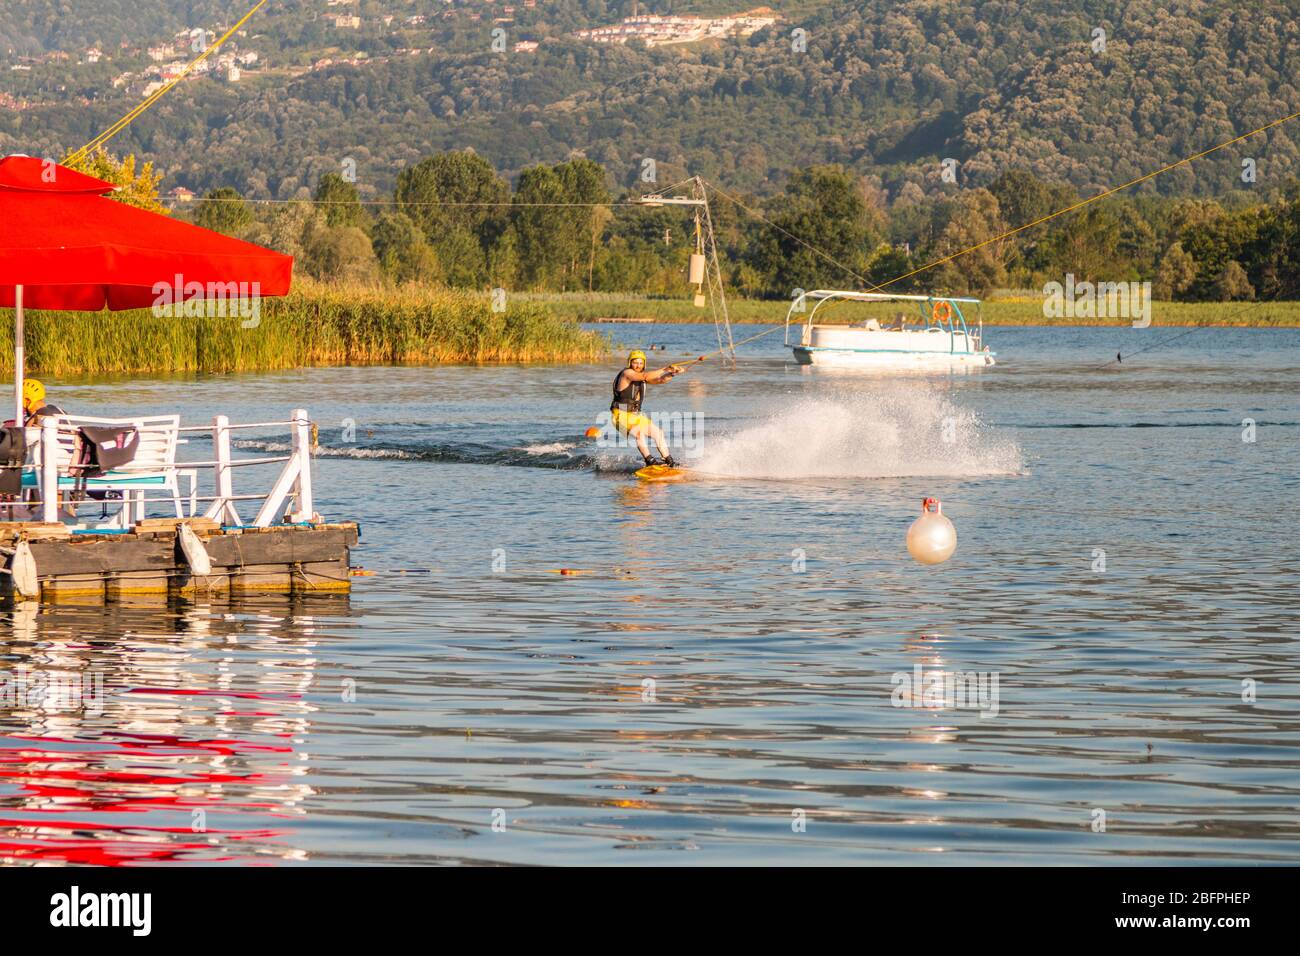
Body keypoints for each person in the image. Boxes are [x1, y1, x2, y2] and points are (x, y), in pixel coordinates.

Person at [610, 350, 683, 468]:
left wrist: (672, 373)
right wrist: (666, 369)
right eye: (635, 363)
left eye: (641, 363)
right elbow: (645, 376)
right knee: (638, 433)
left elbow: (661, 380)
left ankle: (669, 461)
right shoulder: (627, 373)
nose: (638, 365)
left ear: (644, 364)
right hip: (620, 415)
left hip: (634, 416)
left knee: (658, 433)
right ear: (630, 363)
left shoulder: (641, 378)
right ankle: (649, 461)